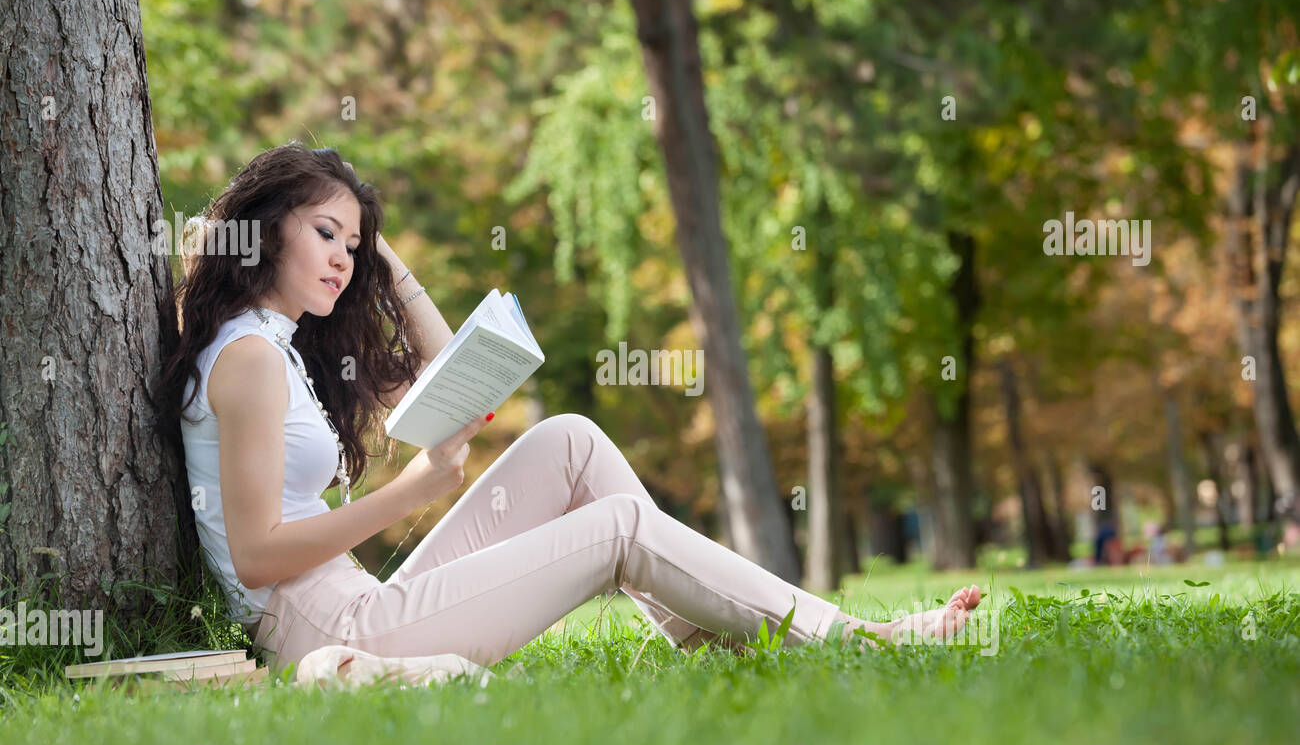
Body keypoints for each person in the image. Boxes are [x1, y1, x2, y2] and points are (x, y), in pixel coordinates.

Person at [159, 141, 982, 676]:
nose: (342, 258)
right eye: (326, 234)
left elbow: (450, 373)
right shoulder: (251, 361)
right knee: (621, 526)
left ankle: (718, 644)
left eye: (353, 241)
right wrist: (408, 494)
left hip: (351, 604)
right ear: (268, 230)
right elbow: (261, 556)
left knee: (571, 442)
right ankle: (863, 646)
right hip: (330, 628)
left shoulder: (278, 345)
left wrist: (388, 264)